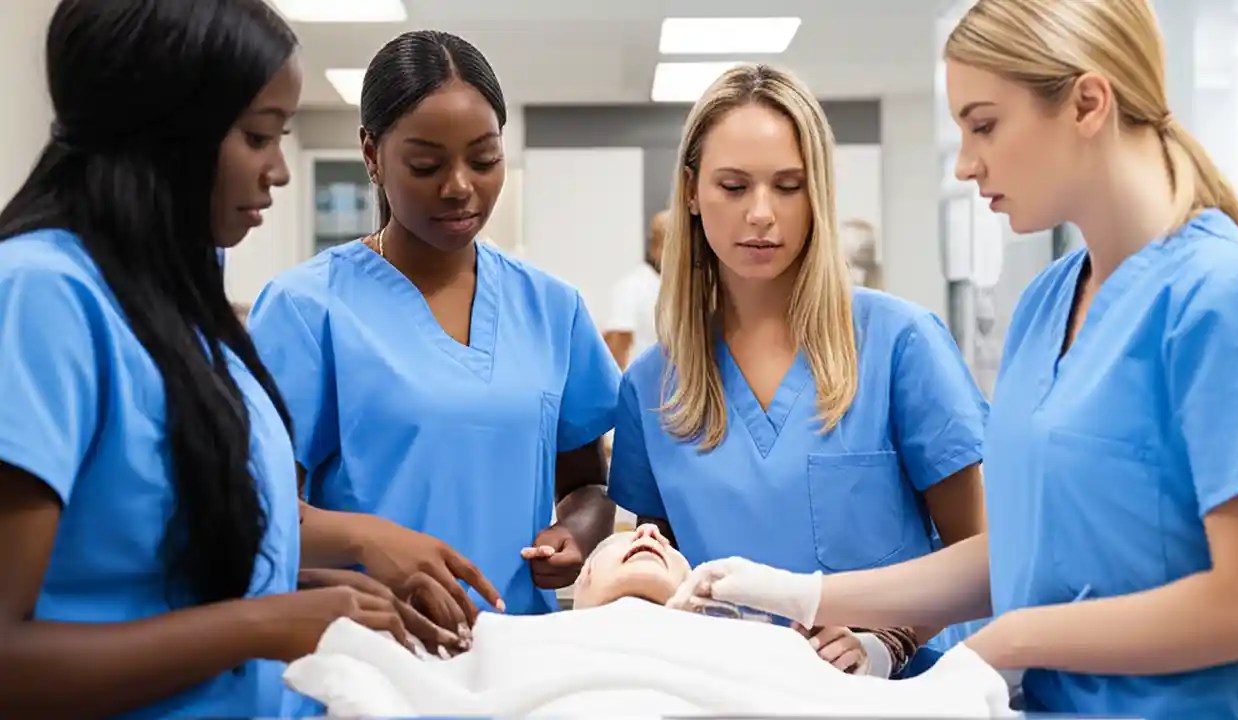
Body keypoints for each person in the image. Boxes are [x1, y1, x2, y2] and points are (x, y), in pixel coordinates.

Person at [667, 2, 1238, 717]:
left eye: (983, 124)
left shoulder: (1221, 293)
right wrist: (803, 592)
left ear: (1087, 103)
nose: (964, 162)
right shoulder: (1050, 301)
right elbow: (1014, 554)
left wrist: (1014, 640)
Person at [0, 1, 454, 717]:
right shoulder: (41, 296)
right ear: (163, 132)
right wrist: (260, 623)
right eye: (256, 136)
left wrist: (302, 591)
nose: (277, 171)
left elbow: (141, 576)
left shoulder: (176, 307)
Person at [606, 63, 989, 680]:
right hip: (733, 691)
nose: (761, 213)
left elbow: (982, 556)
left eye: (789, 185)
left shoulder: (899, 344)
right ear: (691, 192)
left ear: (820, 196)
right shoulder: (653, 385)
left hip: (897, 695)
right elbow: (665, 576)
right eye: (733, 186)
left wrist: (891, 641)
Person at [249, 30, 620, 620]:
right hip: (371, 645)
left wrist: (576, 533)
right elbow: (257, 510)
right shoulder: (307, 308)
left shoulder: (552, 308)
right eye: (426, 164)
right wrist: (366, 539)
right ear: (372, 154)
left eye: (484, 159)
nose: (459, 187)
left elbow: (588, 484)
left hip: (518, 648)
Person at [284, 530, 1014, 718]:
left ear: (699, 591)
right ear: (582, 581)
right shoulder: (507, 635)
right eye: (624, 544)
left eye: (667, 548)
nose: (649, 538)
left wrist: (889, 653)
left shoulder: (758, 642)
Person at [603, 209, 667, 368]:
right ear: (656, 248)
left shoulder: (679, 289)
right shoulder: (631, 287)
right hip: (638, 388)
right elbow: (617, 342)